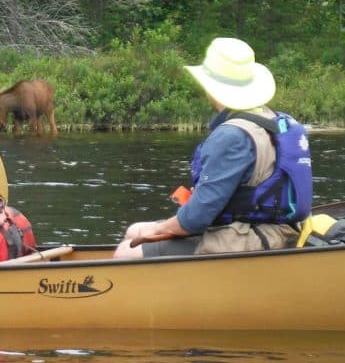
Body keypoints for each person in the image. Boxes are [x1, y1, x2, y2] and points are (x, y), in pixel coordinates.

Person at [114, 37, 312, 259]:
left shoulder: (231, 136)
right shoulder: (269, 118)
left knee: (126, 252)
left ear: (210, 87)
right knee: (135, 230)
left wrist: (158, 231)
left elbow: (194, 220)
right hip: (279, 228)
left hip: (258, 236)